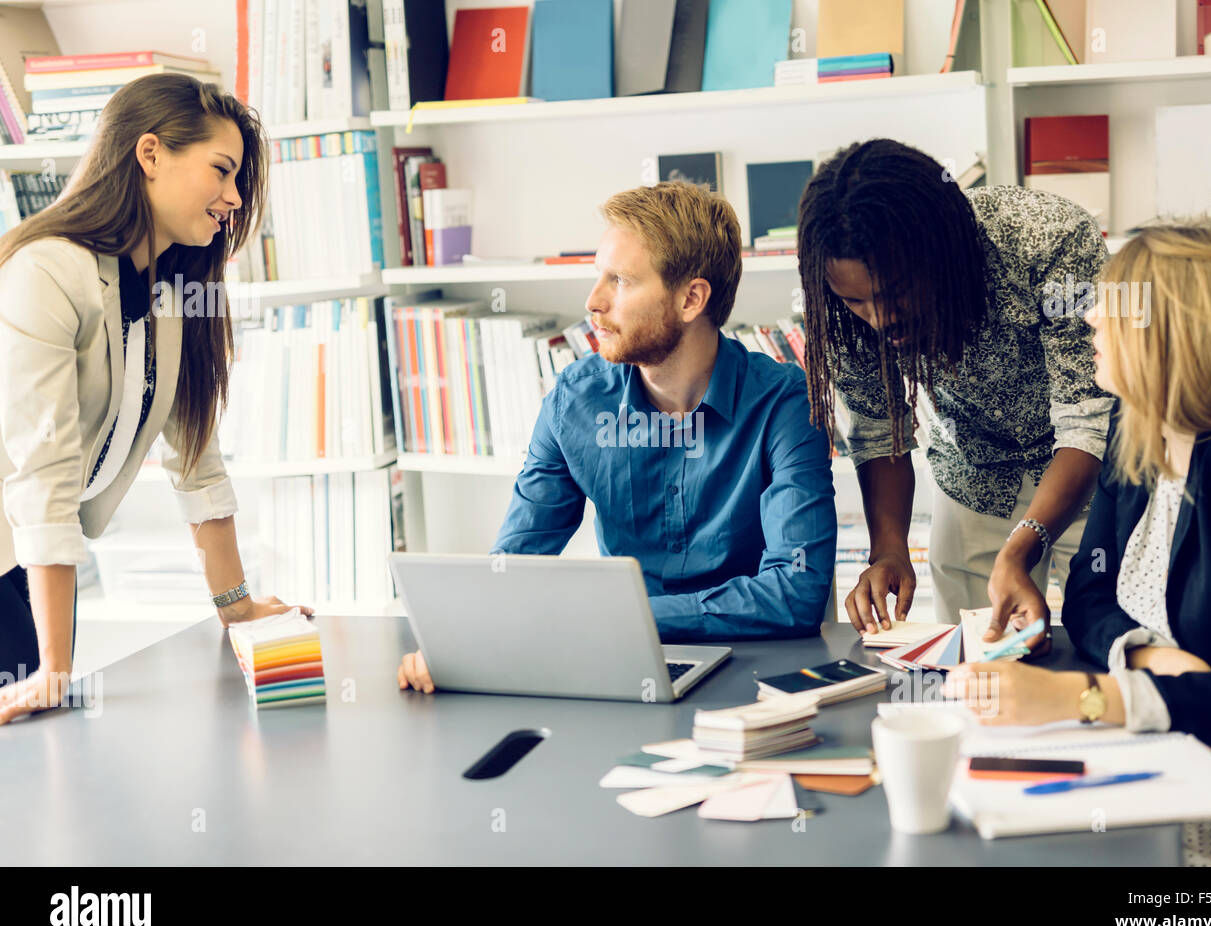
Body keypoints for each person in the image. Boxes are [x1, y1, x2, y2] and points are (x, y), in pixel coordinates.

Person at [944, 220, 1211, 859]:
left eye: (1113, 307)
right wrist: (1149, 659)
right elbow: (1087, 598)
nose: (1091, 324)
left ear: (1178, 330)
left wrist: (1075, 696)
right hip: (1171, 767)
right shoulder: (1141, 436)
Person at [398, 182, 837, 693]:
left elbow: (794, 593)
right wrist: (463, 639)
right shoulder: (575, 401)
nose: (593, 302)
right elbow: (512, 568)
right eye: (597, 277)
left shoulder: (784, 402)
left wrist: (619, 618)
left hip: (762, 670)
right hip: (625, 663)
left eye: (621, 281)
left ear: (692, 298)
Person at [0, 74, 311, 726]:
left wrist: (238, 608)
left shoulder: (172, 289)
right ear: (150, 154)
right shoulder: (45, 272)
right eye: (221, 171)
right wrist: (55, 667)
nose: (232, 199)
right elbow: (43, 470)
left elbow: (197, 462)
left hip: (34, 570)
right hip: (19, 555)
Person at [797, 139, 1113, 647]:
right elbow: (879, 431)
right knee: (977, 667)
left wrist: (1019, 552)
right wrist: (890, 552)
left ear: (939, 254)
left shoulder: (1049, 238)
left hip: (1091, 476)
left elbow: (1087, 420)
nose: (879, 320)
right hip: (972, 479)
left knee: (1108, 644)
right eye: (857, 302)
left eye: (895, 294)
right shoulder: (837, 307)